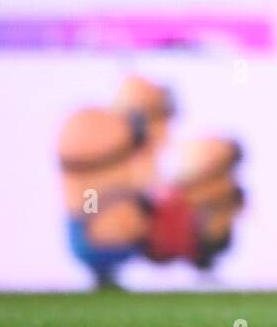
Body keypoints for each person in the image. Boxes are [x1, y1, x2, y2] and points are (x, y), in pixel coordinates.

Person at [58, 77, 245, 288]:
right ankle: (102, 267)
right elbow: (90, 193)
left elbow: (156, 184)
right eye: (159, 116)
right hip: (94, 222)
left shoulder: (144, 155)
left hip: (110, 219)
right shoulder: (97, 128)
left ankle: (205, 267)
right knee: (112, 209)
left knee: (204, 200)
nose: (163, 129)